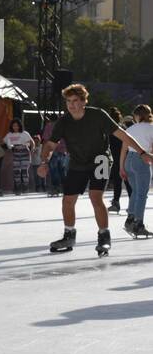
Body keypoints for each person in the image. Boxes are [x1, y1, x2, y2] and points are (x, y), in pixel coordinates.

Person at [38, 84, 152, 257]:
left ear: (84, 101)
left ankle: (104, 236)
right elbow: (50, 145)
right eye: (68, 101)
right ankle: (69, 235)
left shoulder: (97, 115)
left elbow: (123, 135)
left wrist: (142, 152)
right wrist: (44, 162)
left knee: (95, 196)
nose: (72, 105)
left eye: (75, 101)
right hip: (78, 162)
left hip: (101, 160)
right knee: (67, 200)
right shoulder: (64, 122)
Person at [120, 105, 153, 238]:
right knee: (142, 194)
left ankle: (130, 219)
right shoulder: (151, 128)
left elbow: (124, 149)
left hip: (129, 160)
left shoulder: (131, 128)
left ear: (138, 116)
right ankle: (138, 224)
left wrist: (121, 167)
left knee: (135, 191)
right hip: (141, 160)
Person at [4, 119, 34, 195]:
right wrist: (9, 145)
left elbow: (31, 142)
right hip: (15, 152)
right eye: (14, 126)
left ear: (20, 126)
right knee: (16, 171)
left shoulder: (24, 133)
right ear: (11, 126)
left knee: (24, 170)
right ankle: (17, 187)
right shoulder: (9, 134)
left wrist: (31, 150)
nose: (15, 127)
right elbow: (4, 141)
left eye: (17, 125)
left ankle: (25, 187)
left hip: (24, 152)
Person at [108, 106, 128, 213]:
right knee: (127, 181)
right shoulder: (123, 128)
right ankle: (132, 204)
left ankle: (116, 203)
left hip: (115, 158)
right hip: (125, 156)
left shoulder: (109, 129)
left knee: (117, 181)